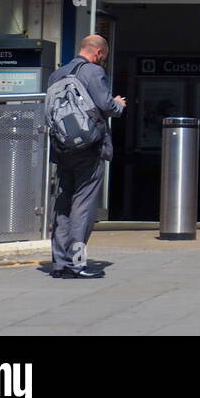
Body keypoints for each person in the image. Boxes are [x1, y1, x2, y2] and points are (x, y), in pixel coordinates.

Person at [49, 34, 126, 279]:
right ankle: (77, 264)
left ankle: (60, 263)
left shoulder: (57, 74)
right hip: (89, 149)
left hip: (62, 149)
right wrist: (118, 104)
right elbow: (106, 106)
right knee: (83, 206)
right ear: (99, 53)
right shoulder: (93, 71)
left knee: (62, 204)